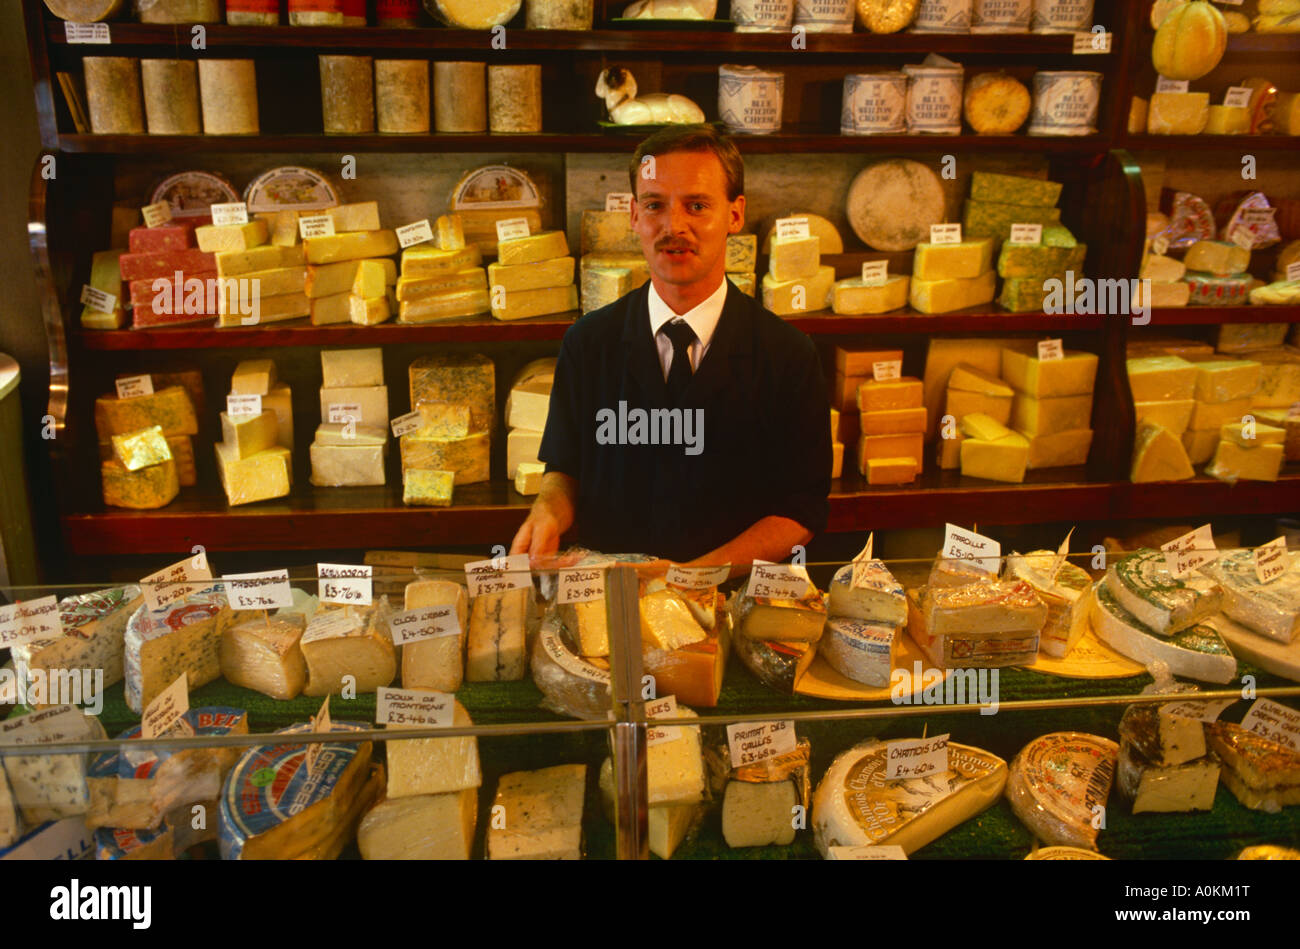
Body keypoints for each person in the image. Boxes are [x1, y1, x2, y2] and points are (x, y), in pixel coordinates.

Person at [510, 124, 831, 570]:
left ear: (735, 215)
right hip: (609, 603)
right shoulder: (588, 342)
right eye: (655, 205)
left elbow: (800, 512)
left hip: (730, 608)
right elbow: (565, 471)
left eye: (696, 206)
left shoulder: (788, 355)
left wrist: (687, 578)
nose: (673, 226)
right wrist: (547, 511)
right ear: (634, 216)